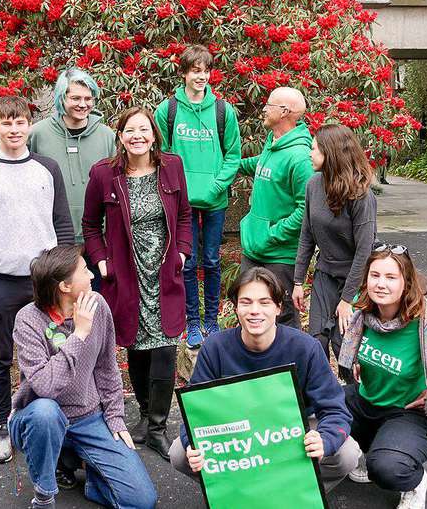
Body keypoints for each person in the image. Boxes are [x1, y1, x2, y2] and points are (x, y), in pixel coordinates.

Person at [169, 267, 360, 493]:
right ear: (236, 307)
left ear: (278, 308)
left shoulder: (306, 348)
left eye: (265, 302)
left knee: (347, 453)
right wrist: (193, 444)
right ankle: (237, 492)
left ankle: (299, 492)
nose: (254, 311)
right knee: (180, 454)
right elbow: (196, 411)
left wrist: (323, 440)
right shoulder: (215, 347)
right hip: (236, 432)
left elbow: (335, 410)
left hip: (293, 429)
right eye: (246, 302)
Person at [0, 95, 74, 464]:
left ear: (29, 125)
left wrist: (65, 275)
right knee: (0, 360)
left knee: (50, 355)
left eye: (20, 122)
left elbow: (63, 225)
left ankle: (45, 423)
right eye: (6, 123)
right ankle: (3, 426)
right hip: (0, 284)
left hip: (45, 284)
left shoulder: (48, 168)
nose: (14, 129)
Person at [9, 245, 158, 509]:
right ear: (65, 286)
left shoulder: (97, 305)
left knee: (142, 500)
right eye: (84, 270)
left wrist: (115, 418)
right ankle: (44, 496)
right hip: (36, 418)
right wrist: (78, 334)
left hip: (87, 418)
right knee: (46, 413)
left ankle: (80, 466)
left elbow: (107, 367)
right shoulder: (28, 320)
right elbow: (45, 386)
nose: (92, 276)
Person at [82, 106, 192, 460]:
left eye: (143, 130)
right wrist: (101, 261)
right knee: (135, 344)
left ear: (154, 135)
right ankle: (145, 414)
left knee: (164, 345)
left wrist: (183, 254)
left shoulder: (171, 167)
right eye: (130, 130)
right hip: (126, 273)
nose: (137, 136)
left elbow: (186, 215)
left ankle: (158, 427)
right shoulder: (104, 174)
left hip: (163, 271)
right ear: (120, 136)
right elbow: (89, 224)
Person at [337, 244, 427, 509]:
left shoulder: (426, 322)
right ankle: (365, 449)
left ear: (406, 282)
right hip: (367, 400)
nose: (381, 284)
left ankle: (413, 480)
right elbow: (358, 347)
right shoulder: (363, 312)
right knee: (316, 410)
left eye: (391, 277)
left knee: (388, 469)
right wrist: (357, 360)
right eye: (375, 275)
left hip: (410, 411)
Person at [155, 44, 242, 349]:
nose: (202, 76)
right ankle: (192, 322)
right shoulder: (169, 110)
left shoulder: (223, 110)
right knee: (188, 264)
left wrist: (218, 185)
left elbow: (233, 154)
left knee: (213, 260)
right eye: (195, 71)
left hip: (215, 200)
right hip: (183, 202)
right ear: (184, 73)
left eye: (206, 71)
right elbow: (160, 154)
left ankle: (211, 322)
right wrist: (176, 189)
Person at [293, 124, 378, 382]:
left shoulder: (361, 195)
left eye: (314, 148)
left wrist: (347, 299)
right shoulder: (313, 185)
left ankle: (354, 402)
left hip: (355, 278)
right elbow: (306, 234)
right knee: (316, 340)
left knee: (344, 347)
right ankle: (322, 403)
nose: (309, 153)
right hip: (325, 274)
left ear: (331, 153)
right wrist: (298, 281)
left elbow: (365, 251)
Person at [28, 67, 115, 292]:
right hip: (52, 239)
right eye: (75, 97)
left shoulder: (107, 136)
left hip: (99, 239)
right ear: (61, 98)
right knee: (57, 307)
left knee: (94, 303)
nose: (82, 104)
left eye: (88, 98)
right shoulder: (37, 134)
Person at [237, 86, 314, 329]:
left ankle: (294, 367)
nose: (264, 109)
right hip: (255, 250)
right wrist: (229, 165)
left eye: (269, 105)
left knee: (283, 318)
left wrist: (272, 234)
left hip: (280, 256)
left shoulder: (300, 157)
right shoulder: (274, 143)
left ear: (284, 112)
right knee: (251, 315)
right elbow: (261, 164)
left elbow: (306, 209)